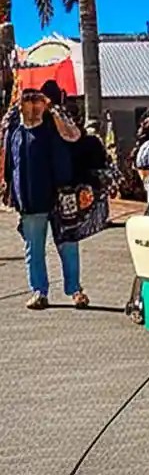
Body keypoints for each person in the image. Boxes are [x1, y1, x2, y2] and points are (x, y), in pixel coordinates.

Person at [1, 85, 88, 310]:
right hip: (30, 201)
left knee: (68, 245)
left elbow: (74, 136)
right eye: (27, 100)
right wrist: (10, 194)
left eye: (36, 100)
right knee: (34, 248)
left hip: (61, 197)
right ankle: (39, 291)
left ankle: (75, 290)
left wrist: (53, 110)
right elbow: (11, 166)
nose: (32, 105)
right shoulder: (15, 130)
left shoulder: (52, 126)